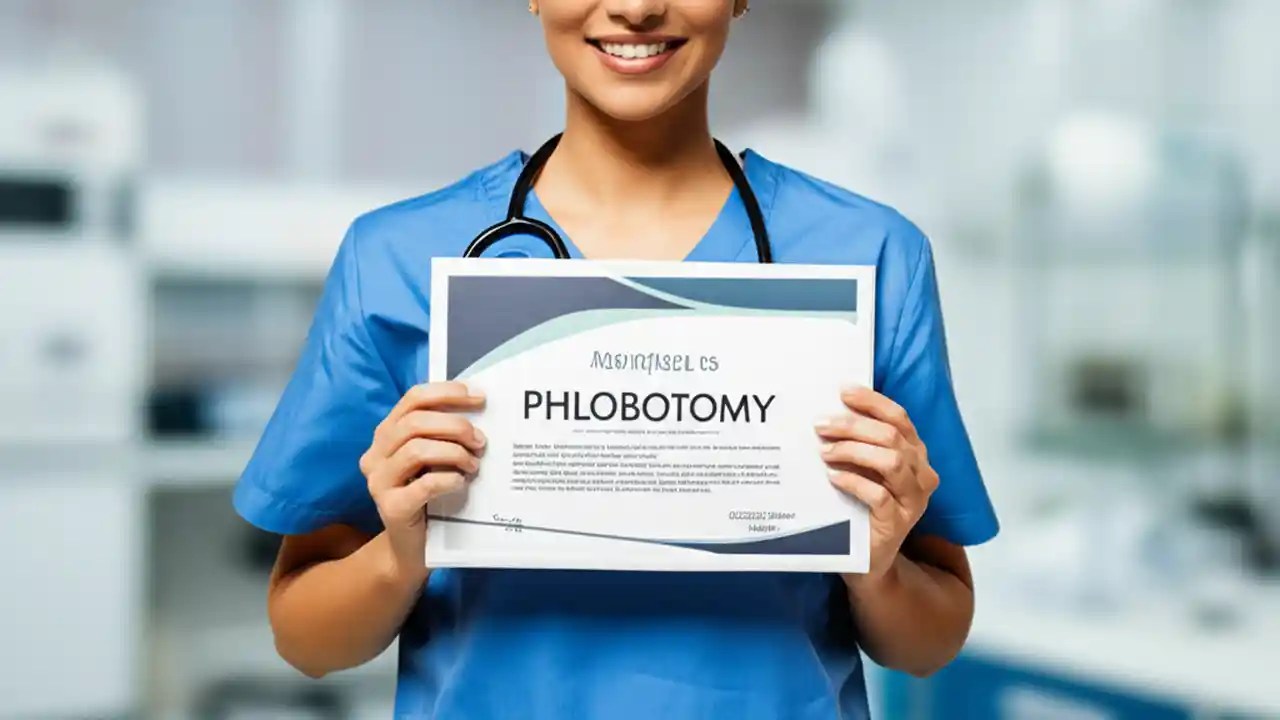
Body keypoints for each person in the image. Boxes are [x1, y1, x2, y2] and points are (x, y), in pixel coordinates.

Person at [233, 1, 999, 718]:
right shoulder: (395, 259)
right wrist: (403, 553)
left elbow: (931, 641)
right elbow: (306, 637)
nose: (635, 6)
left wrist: (877, 566)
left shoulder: (870, 256)